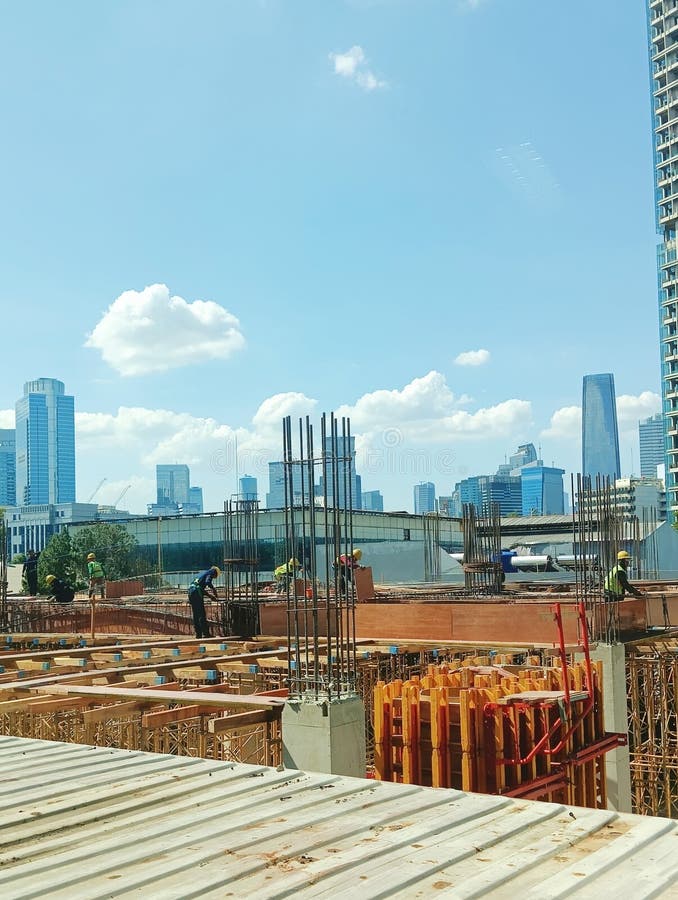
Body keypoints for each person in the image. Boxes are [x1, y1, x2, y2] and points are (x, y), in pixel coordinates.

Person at [187, 565, 221, 638]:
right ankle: (206, 634)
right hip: (196, 592)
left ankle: (198, 634)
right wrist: (214, 590)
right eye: (215, 576)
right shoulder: (211, 573)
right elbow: (208, 582)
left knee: (196, 614)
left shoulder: (202, 574)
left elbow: (200, 588)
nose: (214, 577)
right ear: (215, 573)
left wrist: (210, 596)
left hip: (191, 592)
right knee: (202, 614)